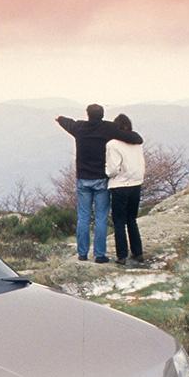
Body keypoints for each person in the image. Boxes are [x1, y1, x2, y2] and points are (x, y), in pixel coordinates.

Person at [55, 104, 143, 263]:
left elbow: (68, 122)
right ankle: (99, 255)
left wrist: (59, 118)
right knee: (101, 217)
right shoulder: (108, 128)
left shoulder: (79, 127)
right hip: (101, 179)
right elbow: (135, 138)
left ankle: (82, 254)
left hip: (83, 179)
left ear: (87, 114)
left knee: (83, 217)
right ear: (102, 115)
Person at [106, 113, 145, 268]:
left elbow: (113, 168)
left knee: (119, 222)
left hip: (120, 185)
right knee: (132, 220)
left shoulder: (113, 144)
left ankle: (121, 256)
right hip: (136, 184)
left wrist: (107, 173)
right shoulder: (137, 142)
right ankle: (138, 252)